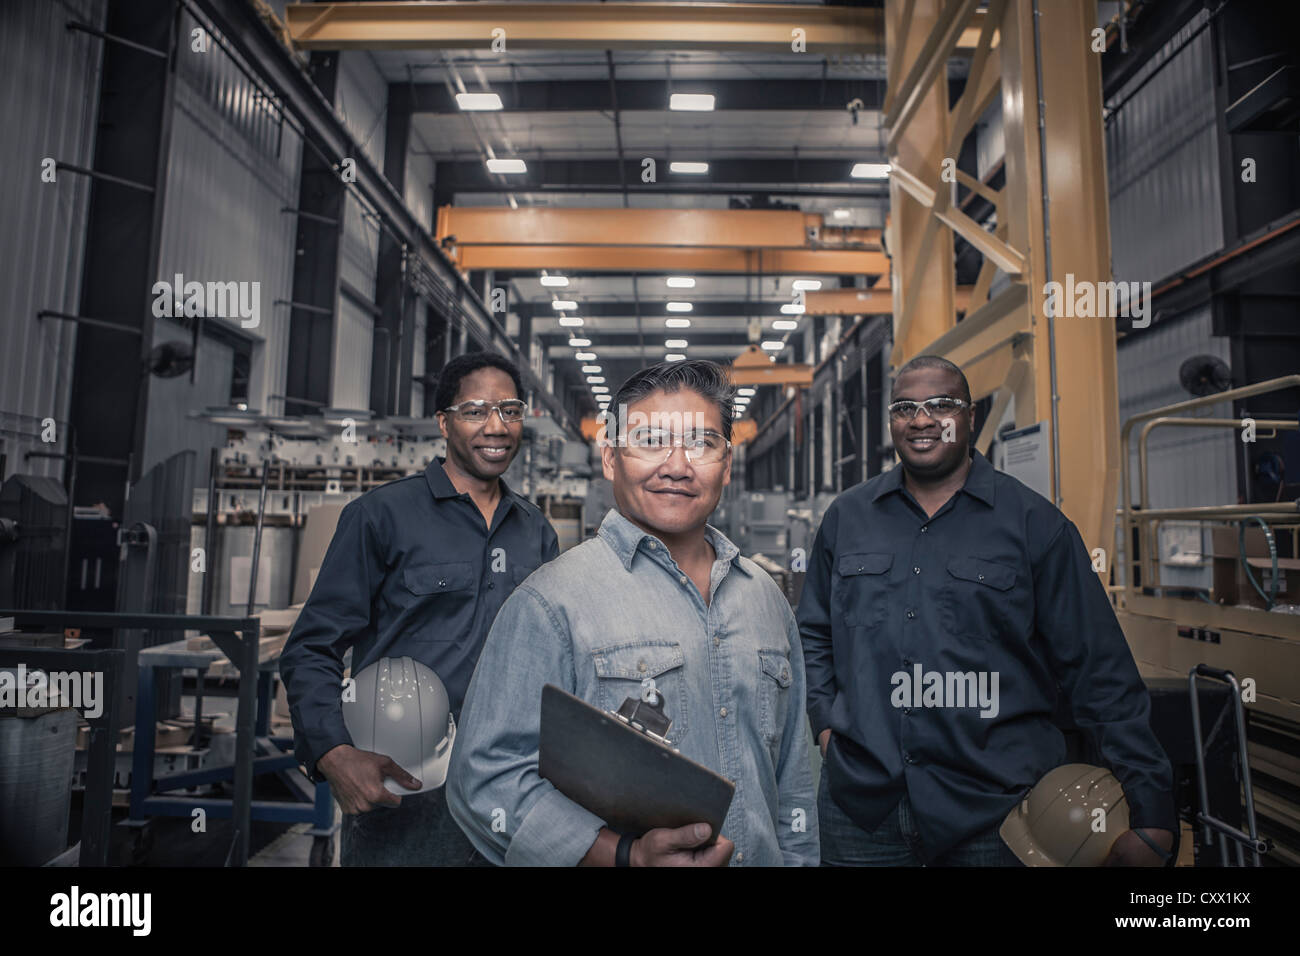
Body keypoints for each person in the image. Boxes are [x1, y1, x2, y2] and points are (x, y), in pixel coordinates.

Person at [797, 354, 1176, 866]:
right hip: (862, 809)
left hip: (994, 816)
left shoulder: (1035, 526)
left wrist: (1152, 806)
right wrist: (826, 727)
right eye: (905, 407)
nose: (922, 419)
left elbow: (1098, 667)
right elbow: (814, 632)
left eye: (942, 405)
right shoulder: (848, 517)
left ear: (971, 417)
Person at [447, 359, 818, 866]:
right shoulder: (552, 603)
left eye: (702, 443)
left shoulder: (765, 600)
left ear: (727, 464)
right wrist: (624, 856)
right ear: (610, 458)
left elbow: (794, 780)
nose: (677, 465)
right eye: (649, 441)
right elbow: (486, 779)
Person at [279, 351, 559, 866]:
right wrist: (333, 753)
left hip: (512, 791)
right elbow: (311, 648)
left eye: (511, 410)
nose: (496, 426)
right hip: (404, 793)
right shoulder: (380, 517)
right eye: (476, 411)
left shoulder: (535, 531)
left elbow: (551, 657)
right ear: (444, 422)